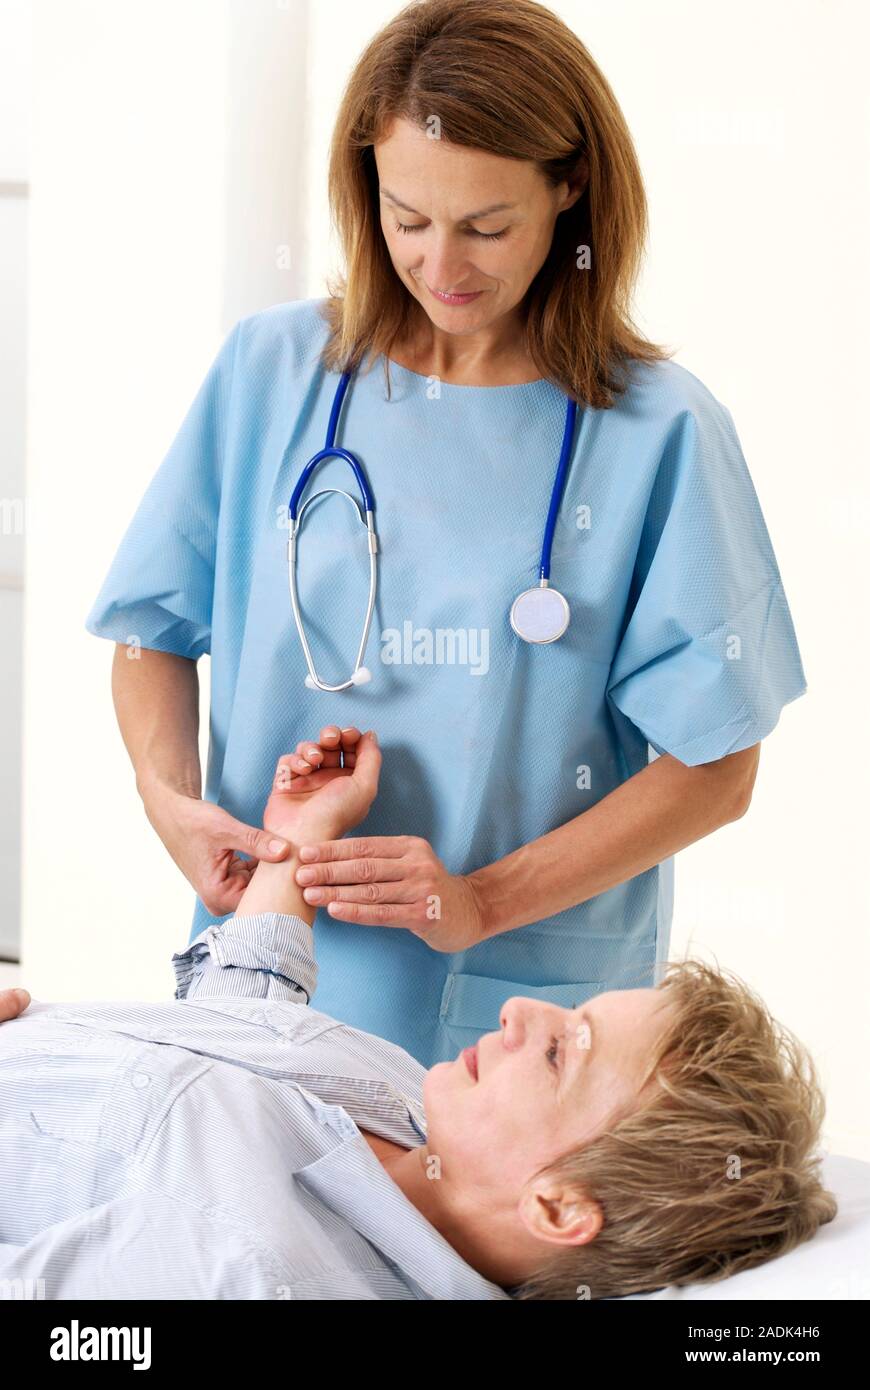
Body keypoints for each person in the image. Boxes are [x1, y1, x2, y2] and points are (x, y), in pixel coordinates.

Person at [83, 0, 806, 1069]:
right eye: (406, 216)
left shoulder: (661, 432)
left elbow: (717, 765)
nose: (440, 263)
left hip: (513, 1018)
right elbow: (148, 631)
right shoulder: (273, 373)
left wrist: (481, 898)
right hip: (263, 980)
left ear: (572, 190)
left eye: (486, 224)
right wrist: (170, 800)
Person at [0, 728, 836, 1300]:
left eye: (559, 1054)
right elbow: (246, 1030)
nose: (517, 1014)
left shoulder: (247, 1269)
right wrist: (298, 841)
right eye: (564, 1015)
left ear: (556, 1208)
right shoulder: (410, 1116)